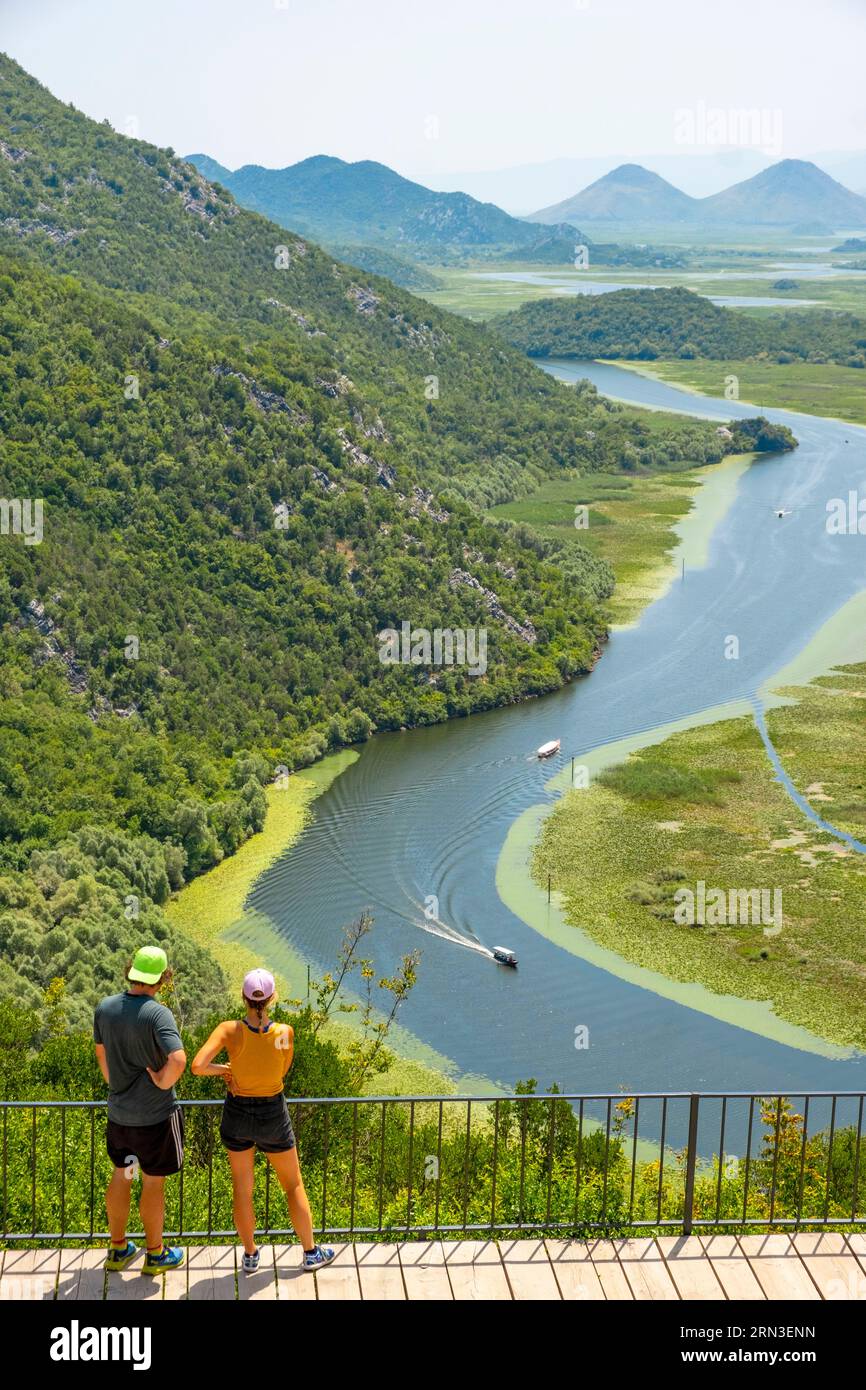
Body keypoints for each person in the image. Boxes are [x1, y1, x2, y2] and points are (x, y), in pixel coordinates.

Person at [192, 967, 335, 1273]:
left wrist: (227, 1071)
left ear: (243, 998)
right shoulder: (284, 1033)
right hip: (272, 1113)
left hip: (237, 1112)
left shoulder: (228, 1030)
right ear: (273, 998)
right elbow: (281, 1071)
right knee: (293, 1185)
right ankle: (310, 1253)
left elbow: (198, 1066)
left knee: (242, 1189)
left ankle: (250, 1254)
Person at [93, 945, 186, 1274]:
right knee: (152, 1183)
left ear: (131, 971)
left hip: (120, 1119)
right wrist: (162, 1082)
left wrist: (115, 1084)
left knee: (124, 1174)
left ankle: (118, 1250)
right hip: (155, 1121)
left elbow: (101, 1053)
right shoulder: (156, 1013)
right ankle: (156, 1254)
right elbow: (178, 1059)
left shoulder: (105, 1008)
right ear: (161, 978)